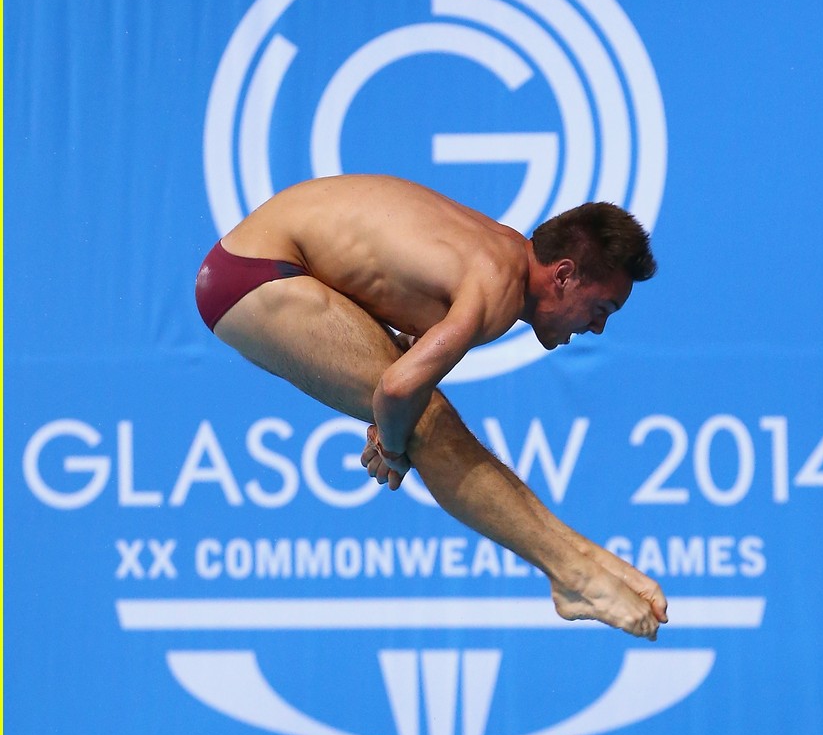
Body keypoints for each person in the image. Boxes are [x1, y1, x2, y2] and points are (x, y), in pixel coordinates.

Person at [195, 174, 668, 639]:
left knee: (422, 409)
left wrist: (390, 422)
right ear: (563, 274)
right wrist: (395, 444)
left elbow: (403, 338)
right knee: (426, 419)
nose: (597, 329)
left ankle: (587, 562)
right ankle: (574, 575)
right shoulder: (496, 286)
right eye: (601, 310)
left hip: (258, 263)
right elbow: (399, 390)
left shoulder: (499, 252)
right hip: (258, 274)